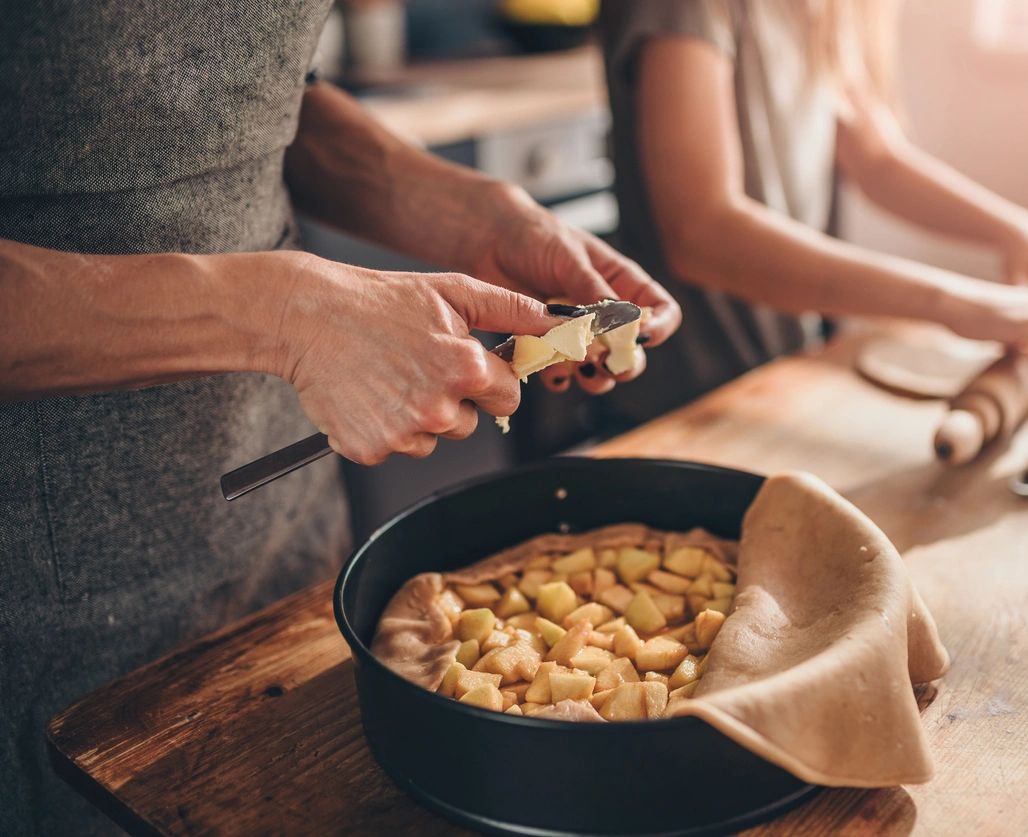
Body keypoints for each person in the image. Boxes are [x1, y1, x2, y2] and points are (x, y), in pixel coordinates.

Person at [0, 3, 678, 834]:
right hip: (42, 599)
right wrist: (283, 314)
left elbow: (244, 96)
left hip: (281, 524)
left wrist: (480, 217)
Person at [597, 0, 1028, 423]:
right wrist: (958, 301)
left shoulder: (827, 9)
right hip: (681, 398)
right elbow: (702, 233)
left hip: (777, 380)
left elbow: (877, 160)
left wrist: (1021, 234)